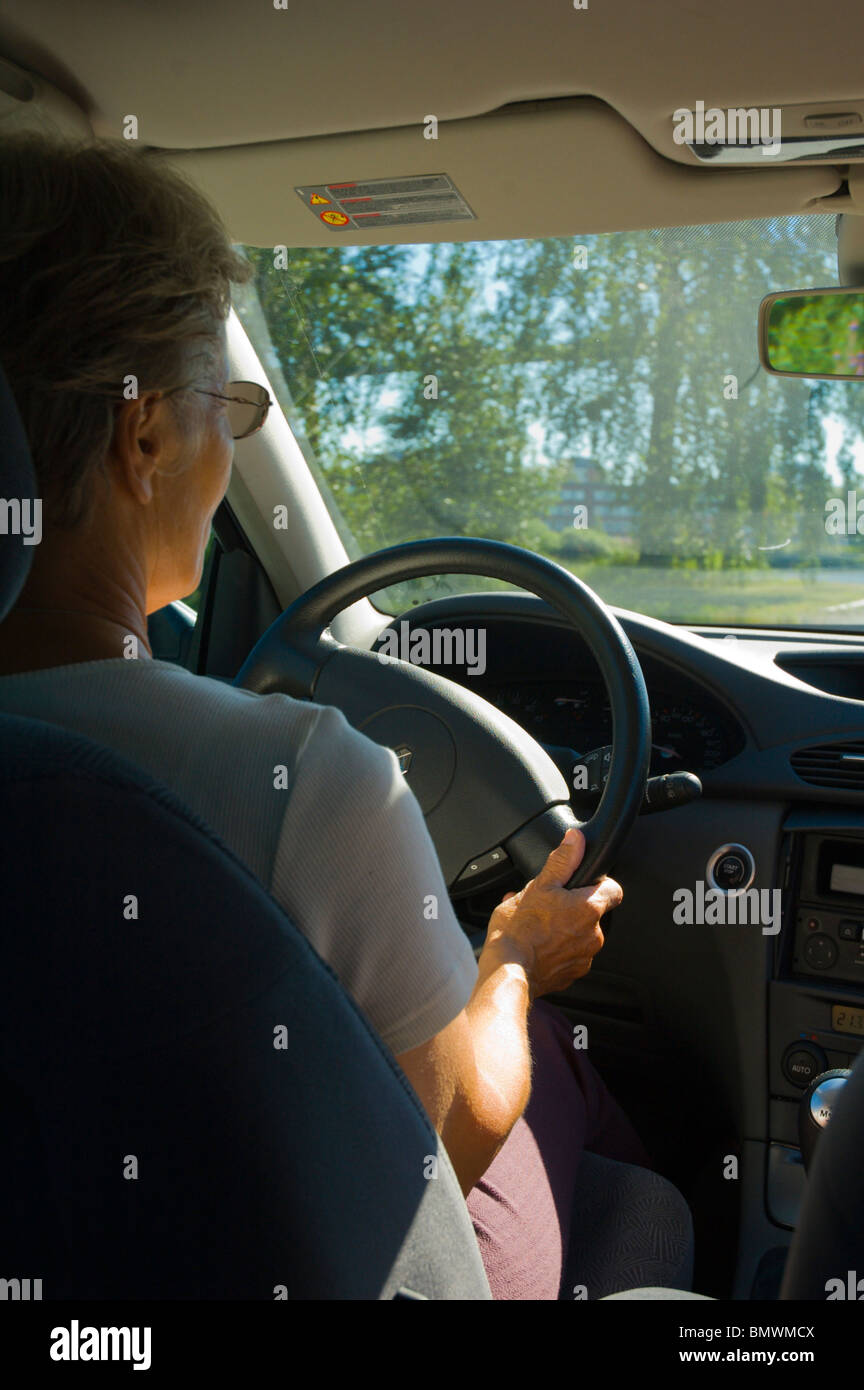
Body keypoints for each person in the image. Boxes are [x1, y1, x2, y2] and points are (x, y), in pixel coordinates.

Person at [0, 134, 689, 1299]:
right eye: (229, 407)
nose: (231, 447)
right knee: (596, 1135)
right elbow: (445, 1133)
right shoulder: (307, 776)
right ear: (146, 435)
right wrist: (514, 960)